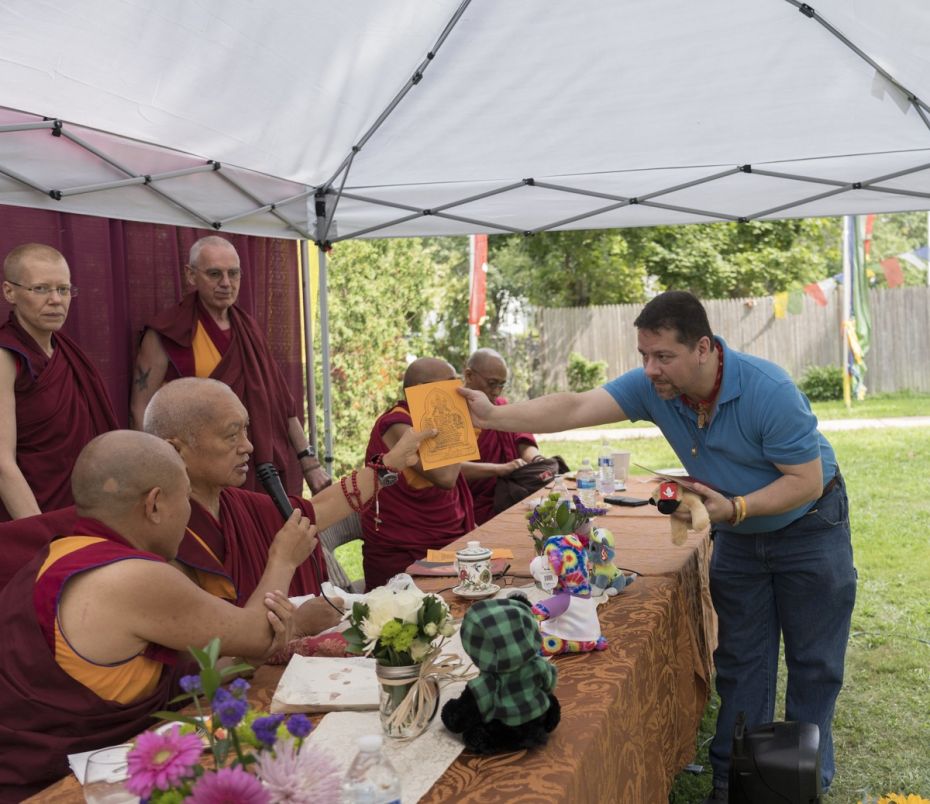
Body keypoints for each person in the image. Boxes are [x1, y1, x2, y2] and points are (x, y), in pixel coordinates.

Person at [458, 291, 855, 799]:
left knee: (814, 664)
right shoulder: (657, 387)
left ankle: (802, 785)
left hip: (809, 526)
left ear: (704, 349)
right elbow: (578, 404)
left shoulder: (767, 389)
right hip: (739, 534)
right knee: (741, 663)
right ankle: (736, 786)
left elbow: (805, 479)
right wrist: (492, 417)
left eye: (663, 356)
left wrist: (733, 509)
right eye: (644, 355)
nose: (650, 369)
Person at [0, 431, 310, 800]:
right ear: (154, 505)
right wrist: (284, 558)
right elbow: (259, 634)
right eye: (185, 499)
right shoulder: (133, 577)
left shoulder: (61, 553)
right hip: (57, 789)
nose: (189, 513)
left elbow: (197, 667)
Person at [143, 377, 431, 626]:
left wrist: (390, 463)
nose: (248, 446)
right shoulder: (163, 537)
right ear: (176, 450)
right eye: (232, 436)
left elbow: (316, 511)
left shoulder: (235, 504)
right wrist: (294, 624)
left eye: (246, 430)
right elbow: (207, 649)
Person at [130, 235, 329, 496]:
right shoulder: (168, 332)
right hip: (196, 474)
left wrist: (309, 463)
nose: (226, 283)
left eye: (233, 274)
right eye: (214, 274)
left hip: (256, 466)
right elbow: (140, 408)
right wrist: (156, 472)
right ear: (191, 276)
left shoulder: (249, 330)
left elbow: (281, 401)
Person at [0, 244, 117, 520]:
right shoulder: (6, 357)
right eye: (40, 289)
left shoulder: (67, 353)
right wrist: (41, 535)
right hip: (28, 517)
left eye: (63, 290)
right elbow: (1, 463)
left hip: (82, 510)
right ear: (9, 292)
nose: (56, 300)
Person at [360, 358, 475, 589]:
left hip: (444, 538)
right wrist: (456, 422)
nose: (459, 392)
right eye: (451, 385)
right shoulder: (396, 425)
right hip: (404, 553)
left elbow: (453, 468)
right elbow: (446, 477)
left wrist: (505, 468)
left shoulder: (427, 419)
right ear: (420, 390)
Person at [461, 348, 544, 524]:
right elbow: (450, 470)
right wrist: (500, 469)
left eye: (502, 384)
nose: (497, 392)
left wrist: (535, 459)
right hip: (471, 506)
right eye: (492, 383)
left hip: (511, 496)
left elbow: (522, 439)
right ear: (469, 376)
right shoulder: (451, 414)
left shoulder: (501, 407)